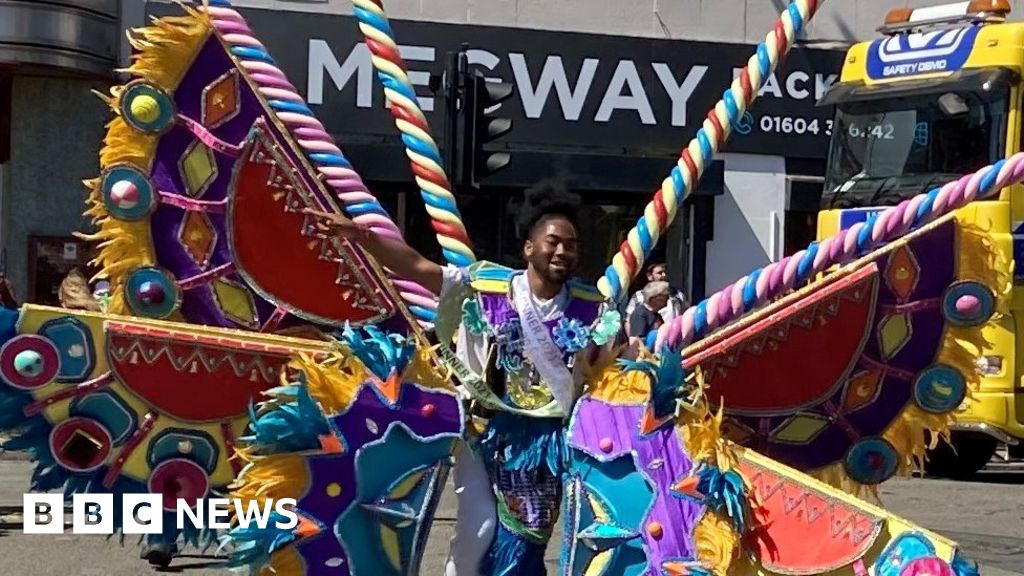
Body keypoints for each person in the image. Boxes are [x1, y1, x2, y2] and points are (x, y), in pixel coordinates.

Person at [306, 199, 610, 576]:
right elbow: (417, 267)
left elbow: (609, 371)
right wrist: (363, 237)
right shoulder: (487, 287)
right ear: (529, 247)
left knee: (528, 535)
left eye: (572, 244)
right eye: (553, 241)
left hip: (546, 444)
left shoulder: (592, 309)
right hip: (483, 432)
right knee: (477, 530)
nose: (563, 251)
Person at [624, 262, 687, 330]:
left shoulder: (677, 294)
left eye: (665, 272)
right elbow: (628, 321)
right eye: (660, 273)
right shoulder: (639, 296)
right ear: (650, 276)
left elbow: (686, 317)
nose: (664, 275)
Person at [627, 281, 671, 349]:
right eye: (665, 295)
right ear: (654, 298)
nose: (668, 298)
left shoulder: (656, 315)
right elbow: (636, 340)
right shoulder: (640, 314)